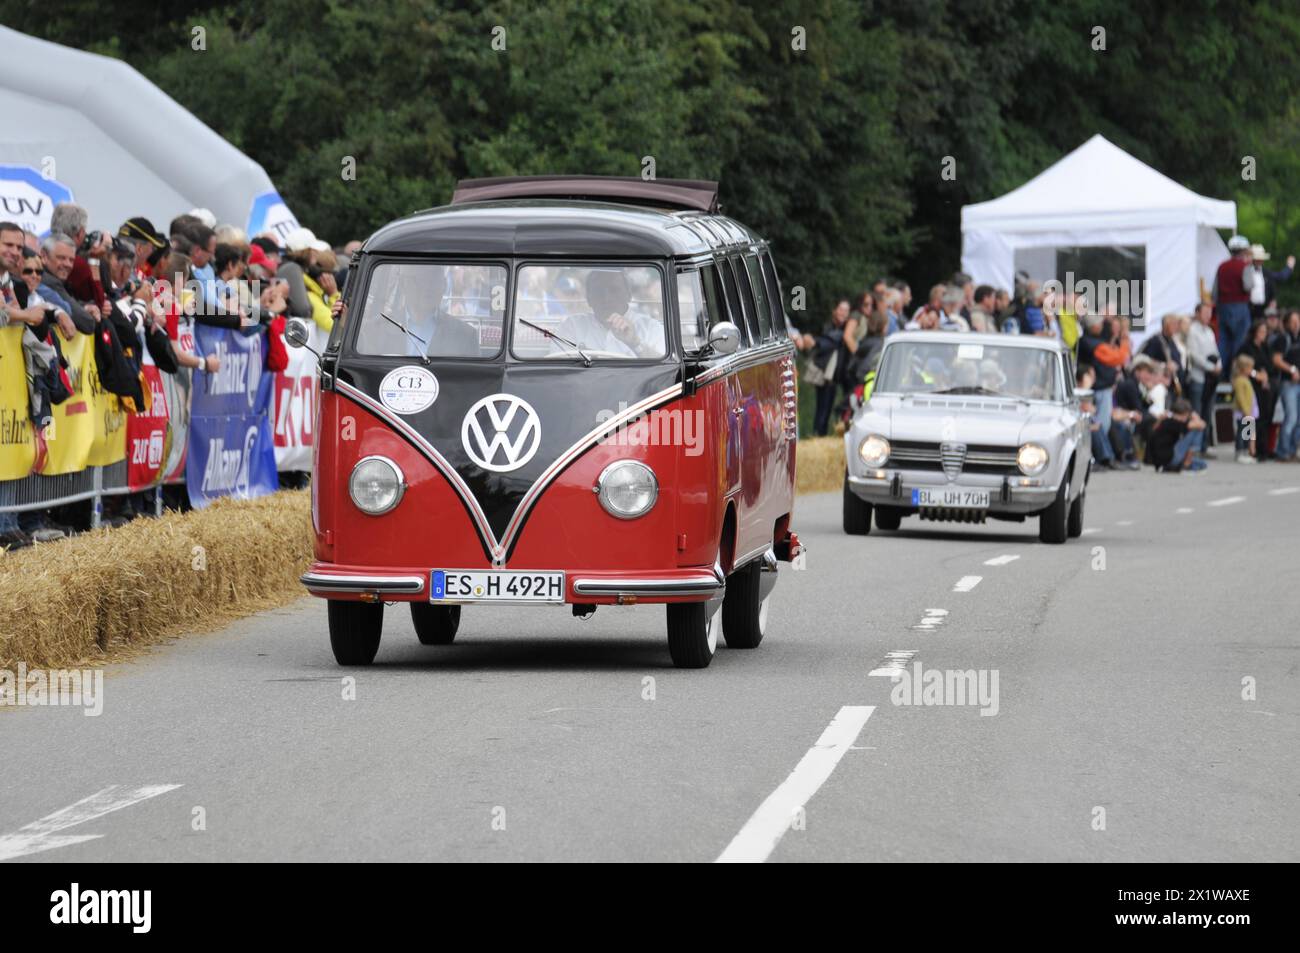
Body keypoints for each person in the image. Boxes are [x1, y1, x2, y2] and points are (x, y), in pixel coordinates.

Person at [808, 299, 850, 436]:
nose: (843, 313)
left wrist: (815, 342)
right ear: (835, 311)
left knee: (826, 408)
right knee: (822, 408)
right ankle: (818, 435)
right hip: (824, 373)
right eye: (841, 309)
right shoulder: (827, 327)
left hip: (835, 375)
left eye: (846, 310)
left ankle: (820, 435)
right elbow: (828, 341)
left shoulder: (845, 330)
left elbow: (828, 340)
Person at [1236, 319, 1275, 459]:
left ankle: (1259, 449)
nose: (1263, 335)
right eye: (1261, 332)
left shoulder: (1265, 347)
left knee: (1261, 419)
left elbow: (1270, 365)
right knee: (1247, 422)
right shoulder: (1246, 347)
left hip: (1262, 387)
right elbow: (1242, 363)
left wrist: (1265, 375)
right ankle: (1244, 450)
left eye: (1265, 332)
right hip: (1250, 390)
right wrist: (1254, 374)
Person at [1185, 303, 1222, 453]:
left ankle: (1204, 446)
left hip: (1211, 379)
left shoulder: (1209, 332)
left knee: (1207, 411)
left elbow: (1215, 350)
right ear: (1197, 313)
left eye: (1210, 313)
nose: (1208, 316)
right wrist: (1211, 367)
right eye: (1205, 312)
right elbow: (1194, 355)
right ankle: (1195, 446)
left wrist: (1219, 364)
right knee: (1197, 412)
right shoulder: (1192, 331)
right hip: (1198, 377)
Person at [1214, 235, 1254, 371]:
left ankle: (1220, 373)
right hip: (1240, 307)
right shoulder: (1245, 266)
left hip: (1223, 307)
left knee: (1224, 342)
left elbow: (1215, 291)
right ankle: (1236, 373)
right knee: (1240, 342)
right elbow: (1248, 286)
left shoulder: (1221, 266)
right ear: (1243, 251)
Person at [1147, 398, 1207, 473]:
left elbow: (1153, 430)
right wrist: (1192, 413)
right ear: (1183, 414)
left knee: (1202, 464)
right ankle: (1186, 465)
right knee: (1197, 431)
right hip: (1169, 458)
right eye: (1186, 416)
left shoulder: (1165, 420)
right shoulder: (1176, 422)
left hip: (1159, 461)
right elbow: (1202, 425)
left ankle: (1178, 466)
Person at [1272, 309, 1300, 462]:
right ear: (1287, 323)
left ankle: (1293, 449)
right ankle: (1282, 451)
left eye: (1298, 321)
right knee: (1291, 417)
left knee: (1298, 420)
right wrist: (1292, 370)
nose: (1296, 325)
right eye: (1293, 322)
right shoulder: (1283, 339)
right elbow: (1276, 359)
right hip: (1288, 383)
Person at [1231, 354, 1258, 463]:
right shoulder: (1239, 381)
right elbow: (1241, 398)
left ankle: (1247, 451)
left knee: (1247, 434)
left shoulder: (1245, 379)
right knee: (1242, 433)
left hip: (1249, 412)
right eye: (1250, 368)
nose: (1251, 370)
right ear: (1243, 369)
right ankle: (1240, 452)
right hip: (1244, 412)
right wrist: (1246, 411)